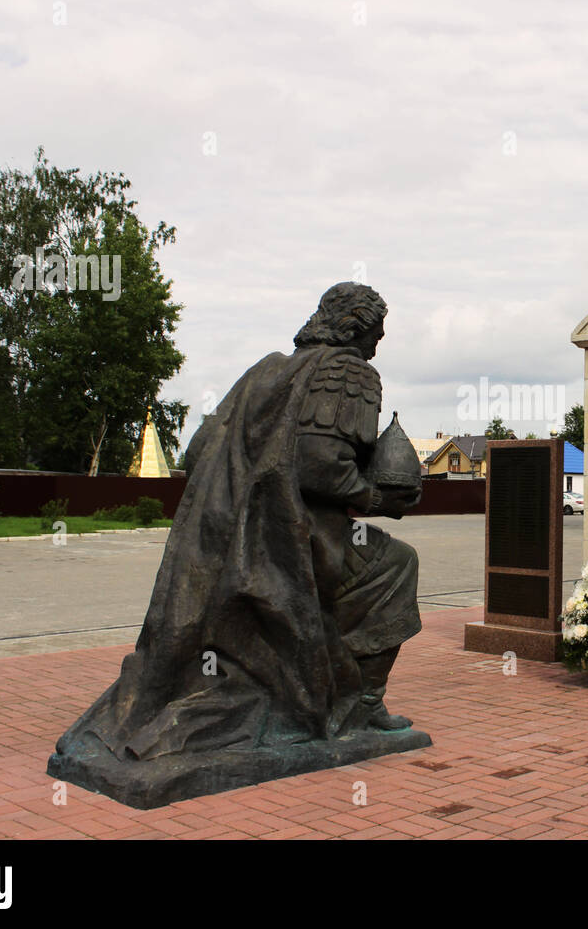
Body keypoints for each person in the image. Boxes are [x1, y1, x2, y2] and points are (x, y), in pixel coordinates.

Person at [50, 283, 424, 803]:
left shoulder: (265, 370)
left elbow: (199, 448)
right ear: (358, 327)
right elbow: (320, 467)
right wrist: (378, 499)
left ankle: (336, 691)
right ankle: (359, 704)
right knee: (397, 566)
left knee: (378, 565)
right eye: (376, 334)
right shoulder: (351, 372)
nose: (377, 347)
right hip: (293, 544)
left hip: (228, 542)